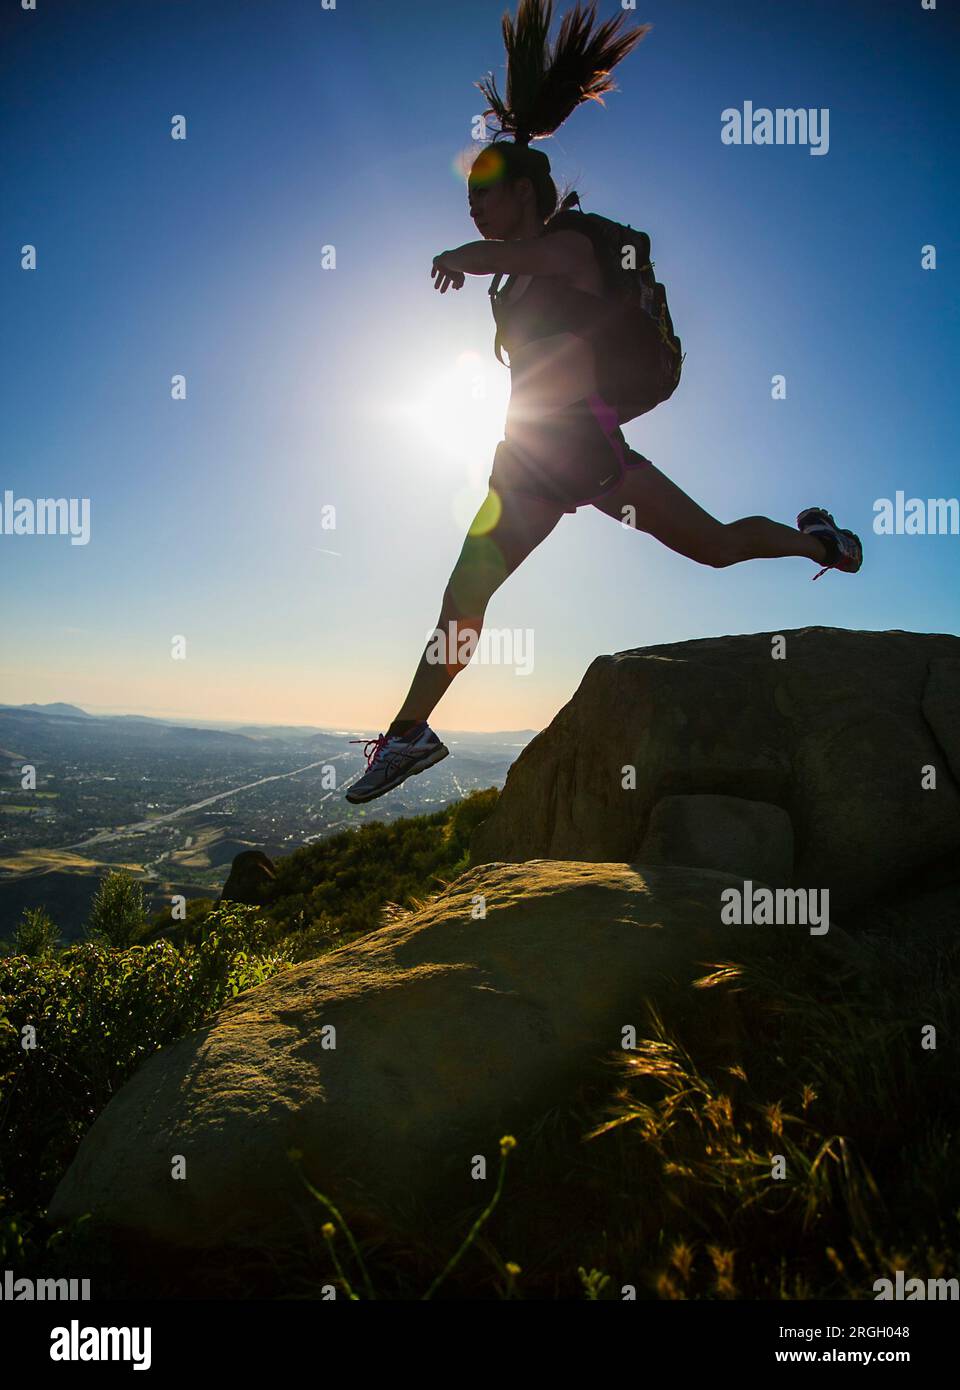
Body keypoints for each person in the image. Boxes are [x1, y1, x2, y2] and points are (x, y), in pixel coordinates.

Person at [346, 0, 861, 806]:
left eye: (486, 192)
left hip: (584, 450)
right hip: (529, 456)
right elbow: (515, 291)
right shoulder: (515, 274)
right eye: (469, 196)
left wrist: (465, 254)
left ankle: (817, 543)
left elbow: (515, 254)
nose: (473, 204)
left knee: (716, 547)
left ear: (527, 195)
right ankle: (410, 734)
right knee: (464, 592)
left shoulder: (574, 245)